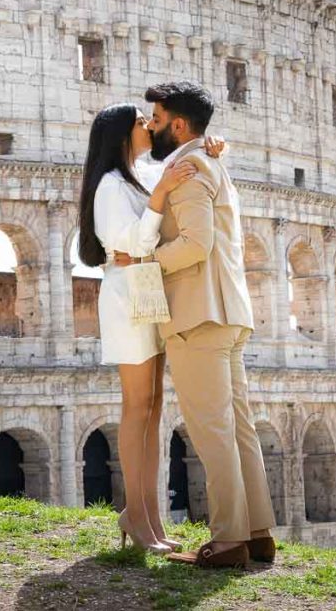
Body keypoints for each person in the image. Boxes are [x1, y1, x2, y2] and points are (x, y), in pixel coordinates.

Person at [116, 81, 276, 569]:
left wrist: (140, 259)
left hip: (197, 315)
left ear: (179, 124)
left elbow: (194, 244)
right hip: (226, 313)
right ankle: (257, 534)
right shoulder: (212, 163)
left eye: (158, 119)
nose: (153, 126)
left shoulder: (185, 171)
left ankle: (228, 541)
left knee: (213, 431)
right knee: (239, 428)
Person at [76, 102, 224, 554]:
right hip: (127, 297)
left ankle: (149, 518)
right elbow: (137, 241)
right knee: (137, 408)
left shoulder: (133, 178)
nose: (149, 126)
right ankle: (136, 518)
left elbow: (148, 242)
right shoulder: (108, 186)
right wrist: (159, 196)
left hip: (145, 290)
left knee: (155, 410)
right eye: (142, 122)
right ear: (123, 133)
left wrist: (214, 151)